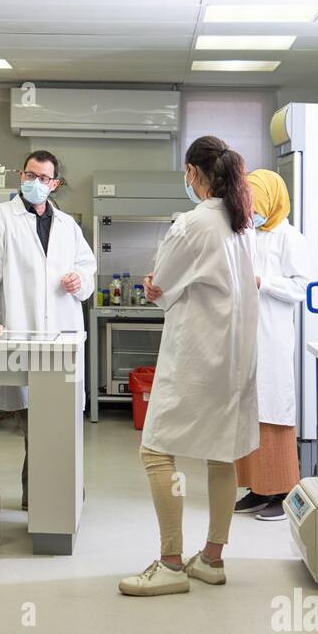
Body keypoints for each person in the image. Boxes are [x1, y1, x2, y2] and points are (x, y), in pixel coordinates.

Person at [119, 136, 258, 596]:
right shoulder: (242, 223)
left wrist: (153, 285)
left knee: (157, 449)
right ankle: (212, 559)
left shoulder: (192, 224)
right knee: (221, 452)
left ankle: (172, 563)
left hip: (198, 356)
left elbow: (160, 283)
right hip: (235, 358)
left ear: (194, 174)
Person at [0, 149, 96, 509]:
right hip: (23, 335)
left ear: (55, 184)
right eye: (29, 175)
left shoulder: (68, 226)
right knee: (37, 424)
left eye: (42, 178)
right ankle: (48, 497)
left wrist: (79, 280)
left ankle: (50, 495)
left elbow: (88, 268)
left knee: (58, 422)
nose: (34, 183)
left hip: (63, 338)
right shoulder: (0, 218)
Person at [234, 168, 309, 520]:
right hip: (245, 336)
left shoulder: (288, 236)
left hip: (273, 337)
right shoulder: (248, 233)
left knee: (273, 414)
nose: (250, 208)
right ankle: (256, 488)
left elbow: (301, 287)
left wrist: (264, 282)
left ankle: (280, 492)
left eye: (254, 201)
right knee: (247, 412)